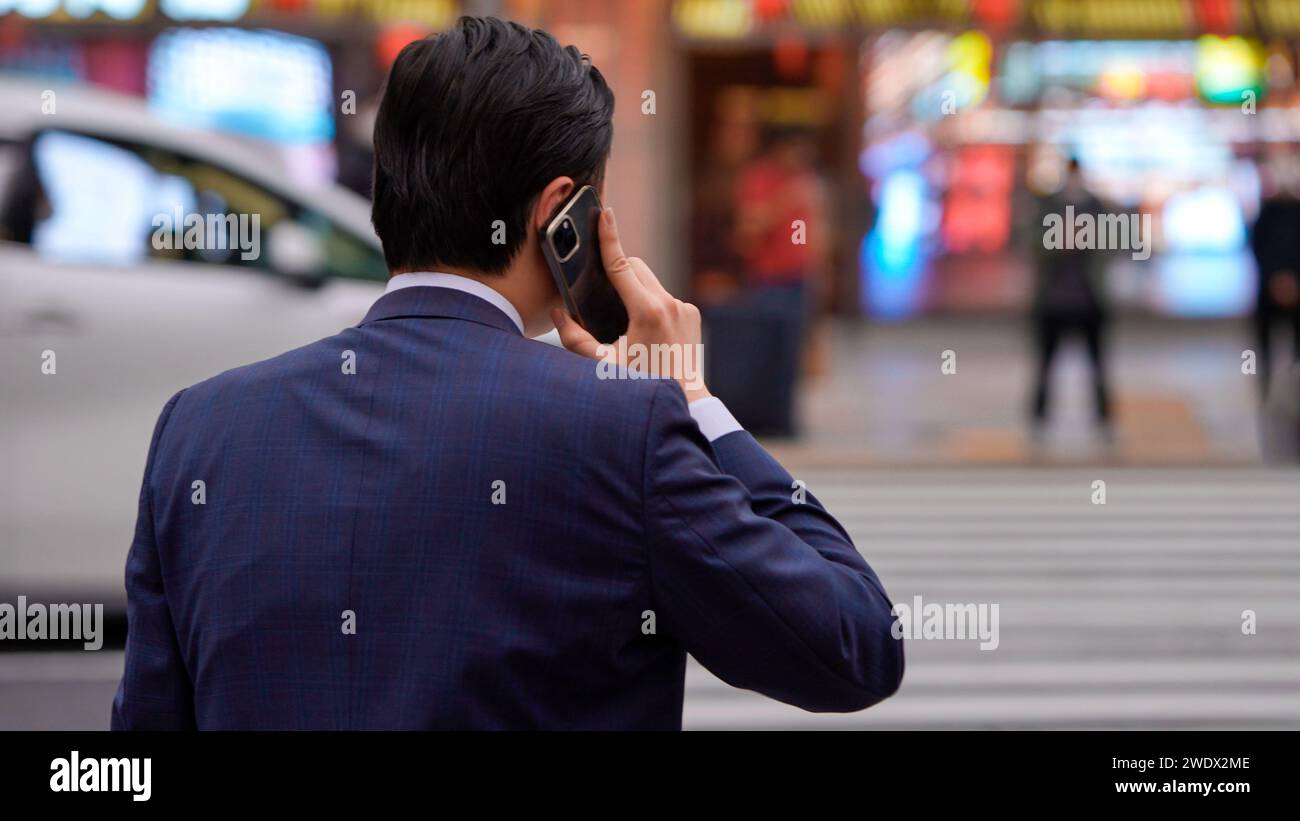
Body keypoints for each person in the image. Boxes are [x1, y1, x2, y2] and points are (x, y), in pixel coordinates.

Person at [112, 16, 903, 730]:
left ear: (387, 188)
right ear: (559, 213)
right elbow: (853, 644)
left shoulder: (201, 427)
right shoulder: (623, 426)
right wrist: (695, 398)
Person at [1029, 157, 1112, 433]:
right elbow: (1033, 245)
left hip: (1089, 300)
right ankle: (1039, 418)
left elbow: (1110, 248)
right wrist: (1059, 243)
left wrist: (1087, 241)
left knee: (1097, 366)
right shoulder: (1048, 206)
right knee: (1045, 366)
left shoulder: (1096, 207)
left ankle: (1103, 418)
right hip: (1052, 302)